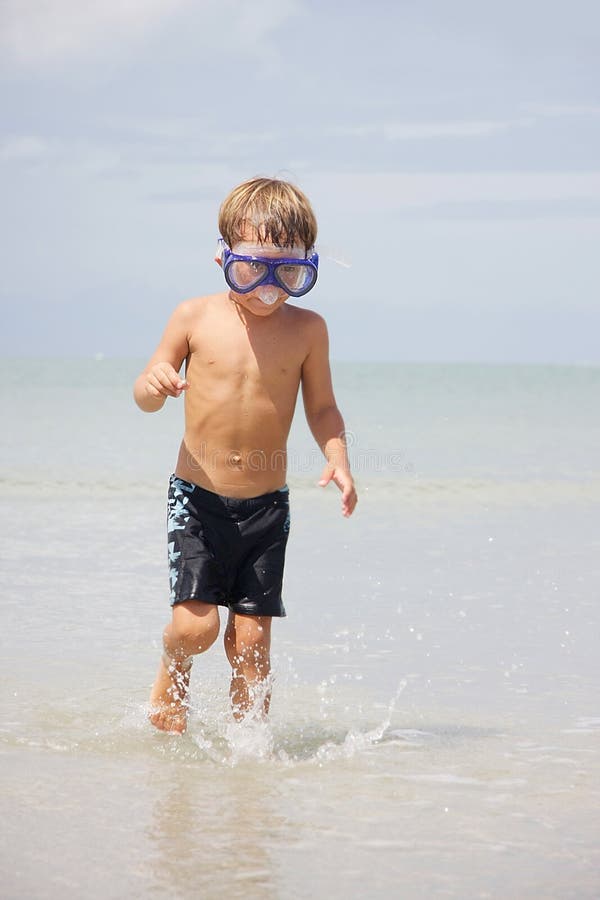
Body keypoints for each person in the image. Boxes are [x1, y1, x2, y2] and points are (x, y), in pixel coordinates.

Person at [133, 176, 358, 734]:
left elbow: (323, 408)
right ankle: (172, 670)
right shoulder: (193, 316)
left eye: (289, 273)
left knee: (252, 645)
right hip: (197, 500)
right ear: (223, 257)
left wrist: (340, 458)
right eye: (252, 269)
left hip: (265, 508)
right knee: (195, 630)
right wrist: (156, 382)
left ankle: (250, 755)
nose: (267, 288)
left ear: (308, 267)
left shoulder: (309, 331)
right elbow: (144, 395)